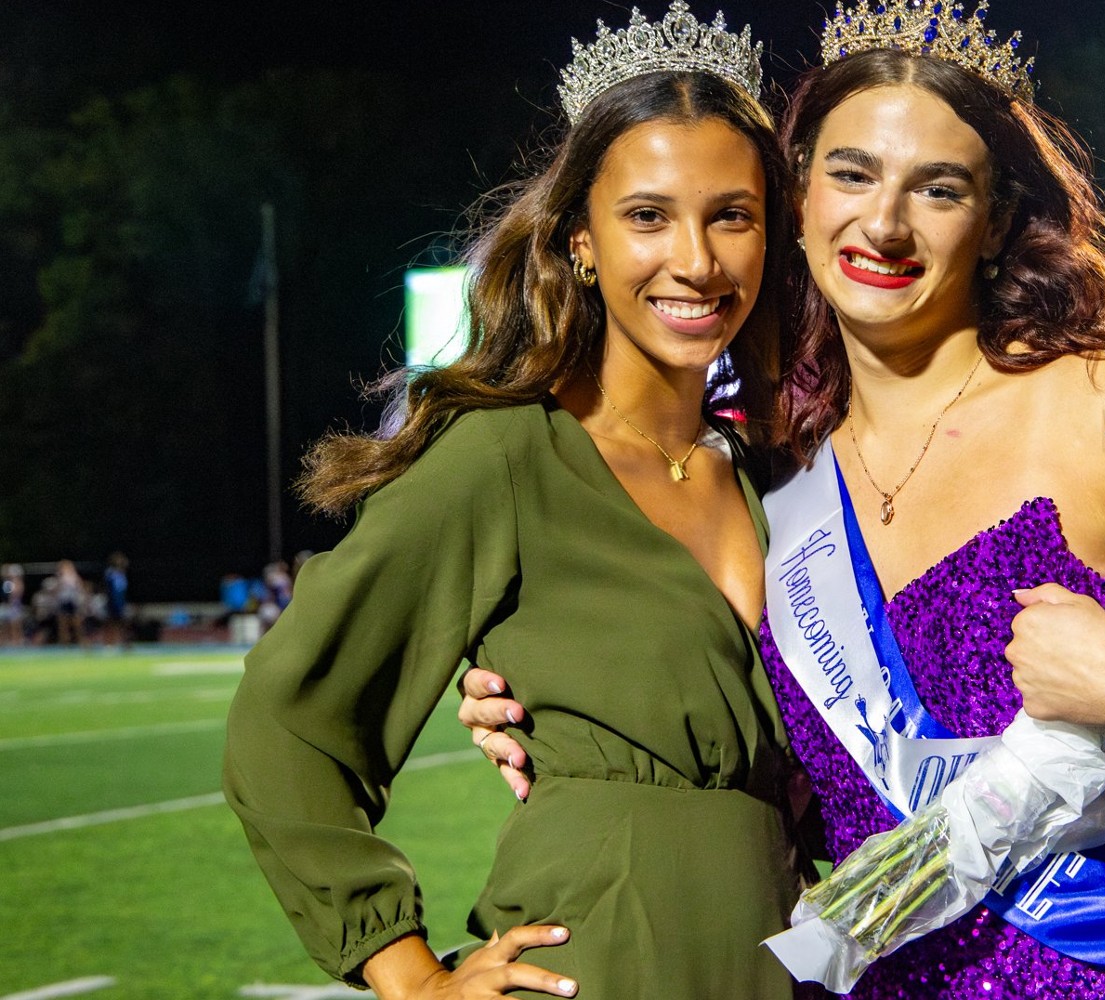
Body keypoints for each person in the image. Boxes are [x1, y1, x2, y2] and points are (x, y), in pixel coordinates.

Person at [464, 2, 1105, 998]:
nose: (885, 224)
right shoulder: (770, 473)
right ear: (799, 193)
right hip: (874, 973)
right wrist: (547, 701)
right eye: (852, 174)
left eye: (937, 189)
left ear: (995, 222)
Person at [222, 5, 807, 997]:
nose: (696, 260)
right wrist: (413, 977)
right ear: (581, 239)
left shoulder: (775, 473)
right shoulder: (501, 455)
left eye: (731, 216)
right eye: (648, 216)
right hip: (595, 965)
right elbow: (288, 723)